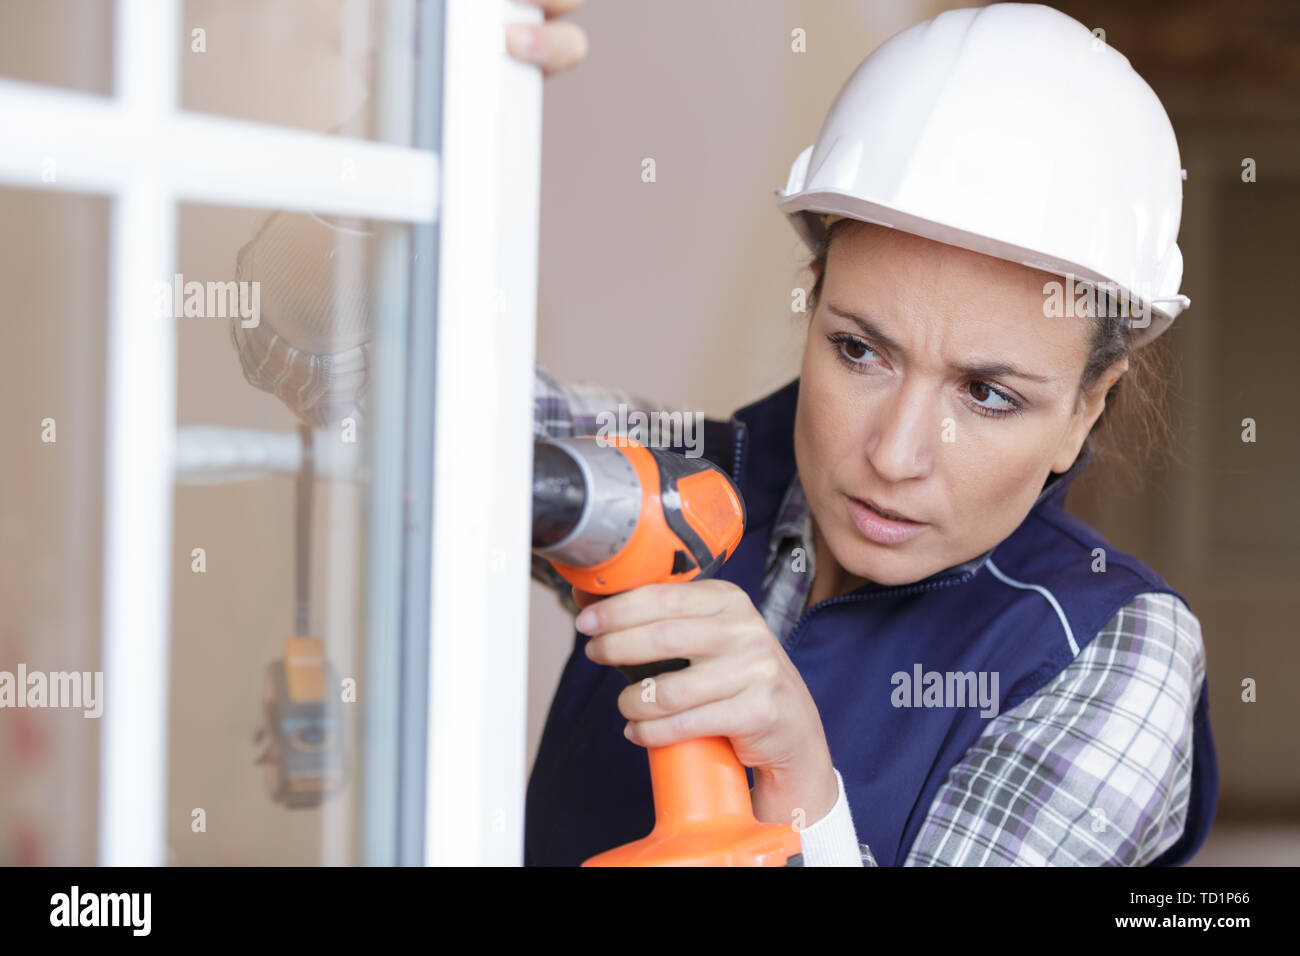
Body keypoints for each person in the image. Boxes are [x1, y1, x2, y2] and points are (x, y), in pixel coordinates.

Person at [523, 2, 1218, 866]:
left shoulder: (1112, 652)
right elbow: (367, 376)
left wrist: (806, 796)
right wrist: (379, 86)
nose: (894, 456)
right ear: (812, 300)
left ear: (1084, 408)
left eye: (988, 394)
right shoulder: (675, 487)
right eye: (860, 350)